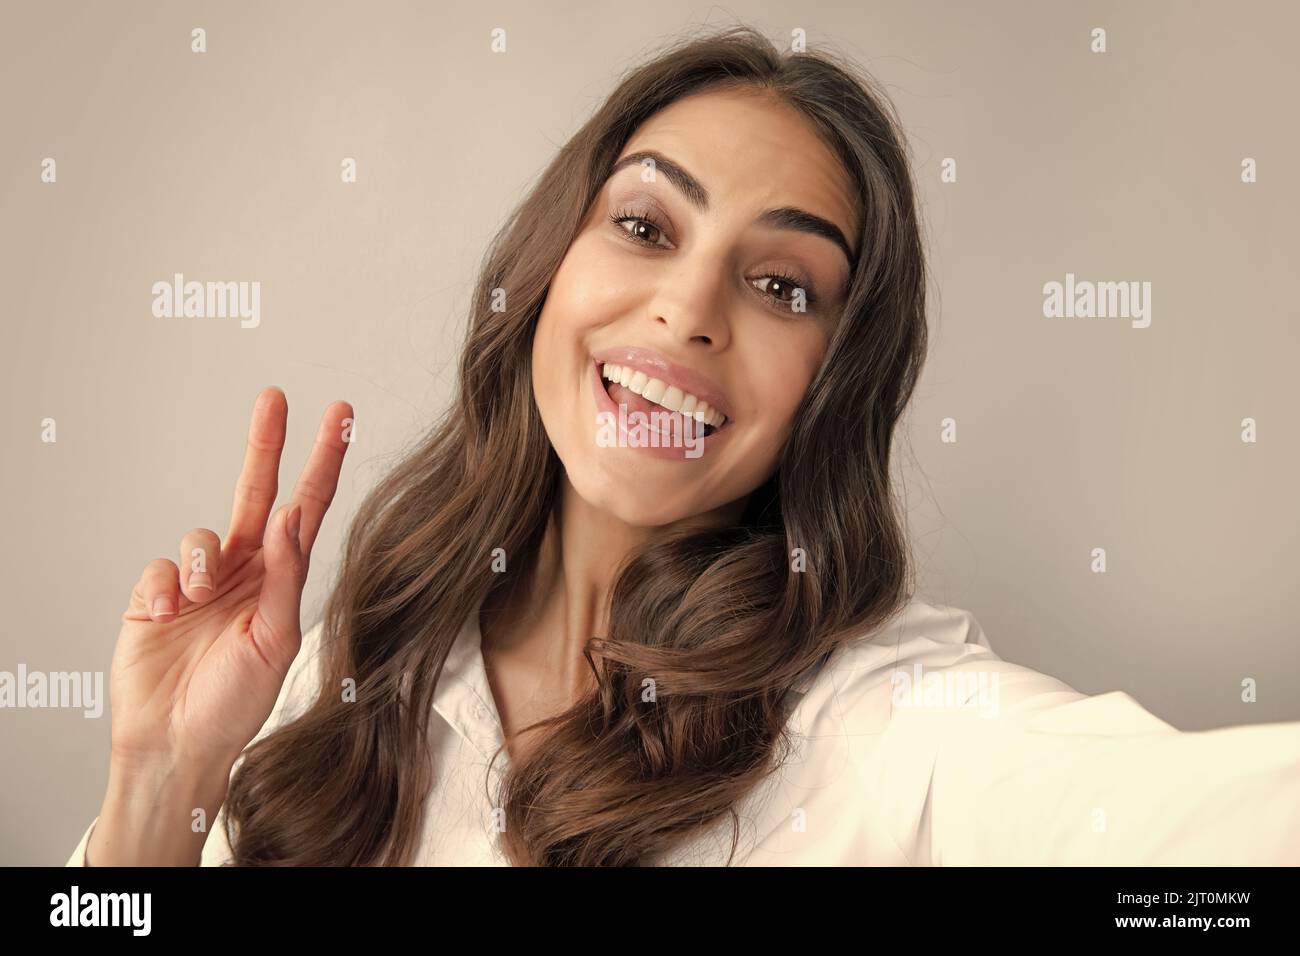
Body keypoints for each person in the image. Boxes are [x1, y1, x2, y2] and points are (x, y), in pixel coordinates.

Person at [67, 26, 1300, 867]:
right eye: (646, 223)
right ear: (549, 266)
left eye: (780, 283)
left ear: (835, 380)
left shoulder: (887, 727)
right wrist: (157, 779)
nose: (688, 309)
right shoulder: (339, 672)